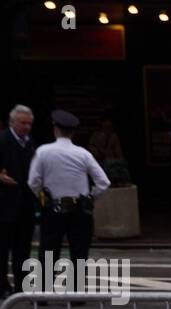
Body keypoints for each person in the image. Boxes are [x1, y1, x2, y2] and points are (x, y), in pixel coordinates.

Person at [27, 110, 110, 297]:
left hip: (53, 207)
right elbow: (103, 182)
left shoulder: (43, 152)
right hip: (79, 209)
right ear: (73, 132)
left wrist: (43, 196)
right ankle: (76, 294)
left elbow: (33, 181)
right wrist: (90, 197)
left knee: (48, 251)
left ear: (55, 129)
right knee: (79, 252)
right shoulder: (83, 154)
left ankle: (43, 293)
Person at [0, 103, 37, 296]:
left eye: (29, 124)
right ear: (12, 122)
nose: (26, 127)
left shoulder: (29, 142)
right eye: (23, 123)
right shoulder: (3, 140)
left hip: (25, 205)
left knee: (22, 249)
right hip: (4, 205)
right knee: (3, 247)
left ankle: (22, 286)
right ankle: (3, 286)